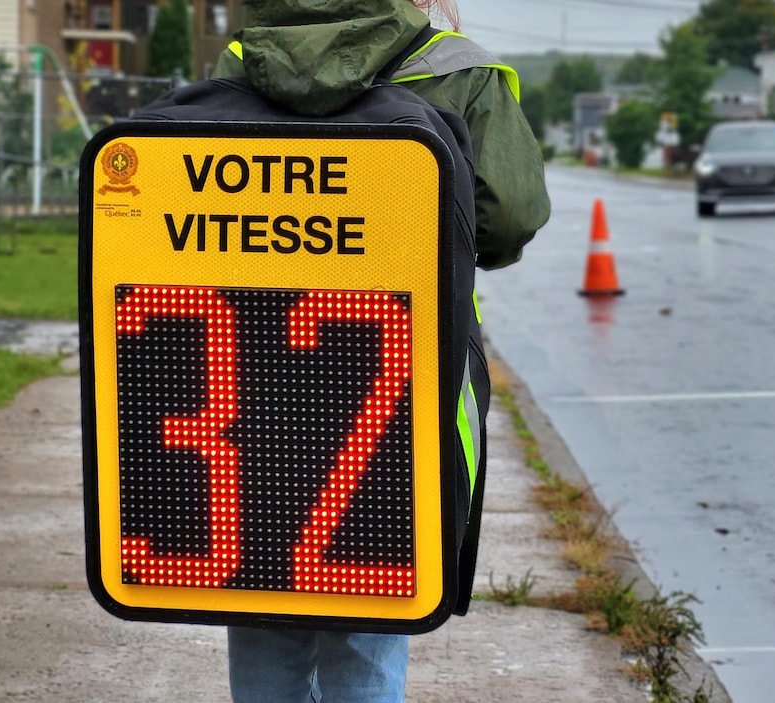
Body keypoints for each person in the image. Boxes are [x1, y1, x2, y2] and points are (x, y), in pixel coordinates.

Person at [210, 1, 550, 701]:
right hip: (398, 376)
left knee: (262, 600)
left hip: (248, 376)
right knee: (370, 608)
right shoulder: (456, 69)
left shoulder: (247, 56)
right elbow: (507, 219)